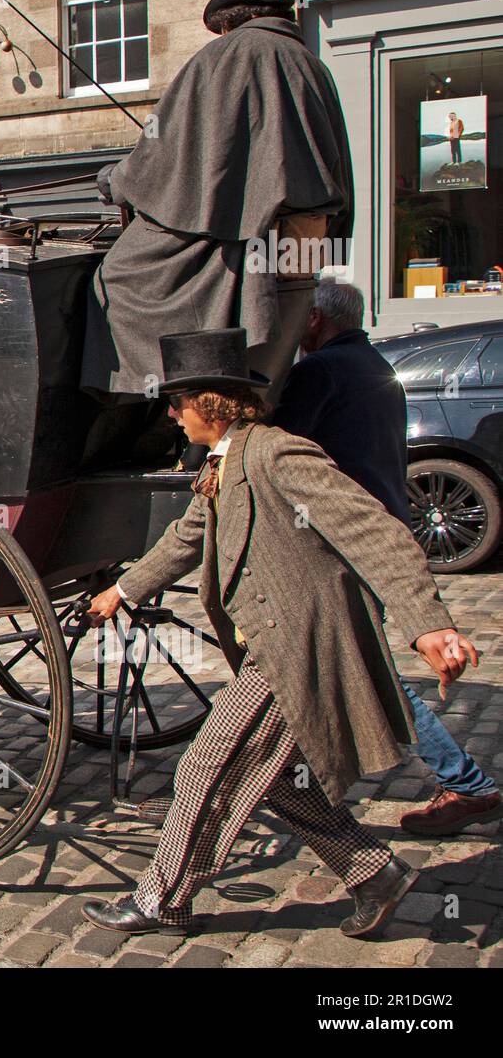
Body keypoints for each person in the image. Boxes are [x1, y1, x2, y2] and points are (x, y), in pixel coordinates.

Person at [80, 328, 477, 937]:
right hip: (269, 642)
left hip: (294, 643)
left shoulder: (277, 454)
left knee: (205, 765)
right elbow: (189, 538)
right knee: (280, 784)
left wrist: (428, 626)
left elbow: (374, 530)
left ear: (210, 403)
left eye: (178, 402)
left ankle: (162, 900)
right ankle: (375, 874)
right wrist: (121, 591)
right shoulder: (221, 464)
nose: (171, 414)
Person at [273, 280, 500, 834]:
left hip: (343, 537)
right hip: (380, 521)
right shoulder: (375, 366)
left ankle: (467, 783)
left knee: (367, 670)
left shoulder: (319, 373)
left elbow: (276, 450)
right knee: (354, 666)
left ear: (316, 321)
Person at [83, 0, 354, 396]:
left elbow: (163, 160)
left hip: (248, 243)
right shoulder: (313, 66)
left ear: (228, 19)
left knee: (115, 277)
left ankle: (152, 408)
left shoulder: (221, 58)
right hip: (303, 247)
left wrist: (117, 180)